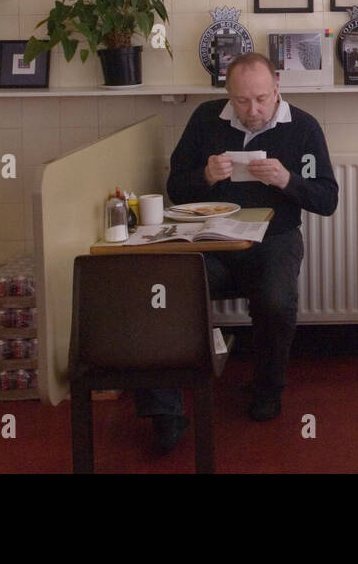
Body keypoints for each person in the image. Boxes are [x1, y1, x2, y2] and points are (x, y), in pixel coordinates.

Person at [135, 53, 338, 447]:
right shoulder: (206, 119)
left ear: (277, 88)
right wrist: (205, 176)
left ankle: (267, 388)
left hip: (274, 239)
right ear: (228, 94)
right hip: (210, 241)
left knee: (276, 301)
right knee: (161, 291)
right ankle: (164, 410)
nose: (253, 110)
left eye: (261, 98)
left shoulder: (304, 128)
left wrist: (287, 180)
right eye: (242, 101)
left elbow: (327, 199)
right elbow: (177, 187)